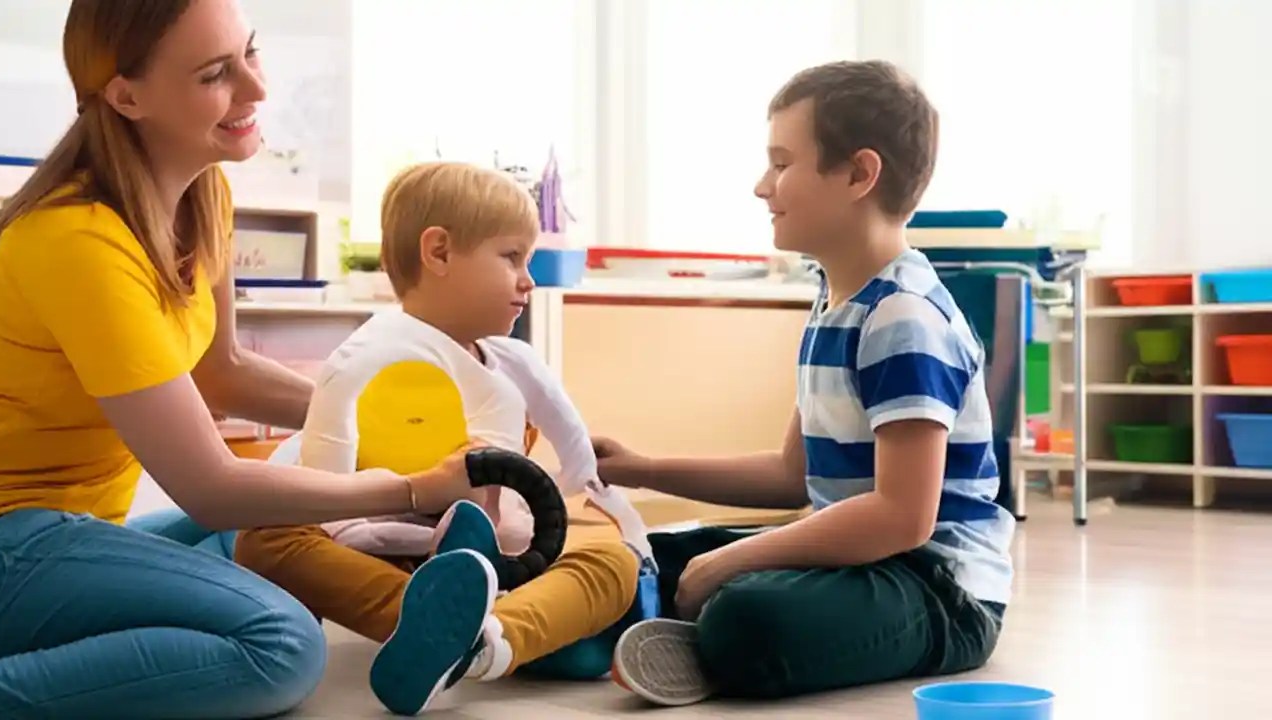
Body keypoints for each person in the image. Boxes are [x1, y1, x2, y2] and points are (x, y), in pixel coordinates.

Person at [0, 2, 483, 718]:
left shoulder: (204, 194)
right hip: (9, 542)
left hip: (80, 530)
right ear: (127, 96)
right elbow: (211, 490)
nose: (256, 89)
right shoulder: (76, 243)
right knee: (282, 642)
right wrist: (411, 487)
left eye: (250, 54)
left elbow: (221, 372)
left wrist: (409, 427)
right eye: (217, 74)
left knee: (285, 504)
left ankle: (428, 609)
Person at [597, 59, 1016, 706]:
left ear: (858, 173)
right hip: (858, 564)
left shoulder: (903, 316)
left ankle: (697, 639)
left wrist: (735, 559)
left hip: (936, 587)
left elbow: (904, 517)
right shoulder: (835, 302)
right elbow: (792, 474)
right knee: (634, 557)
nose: (762, 186)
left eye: (782, 162)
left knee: (745, 614)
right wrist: (645, 468)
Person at [234, 163, 643, 716]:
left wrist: (610, 516)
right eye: (511, 258)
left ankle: (487, 642)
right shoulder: (363, 358)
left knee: (612, 561)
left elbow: (576, 460)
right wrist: (410, 501)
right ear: (440, 253)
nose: (530, 280)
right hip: (388, 546)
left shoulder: (513, 360)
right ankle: (460, 620)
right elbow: (323, 487)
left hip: (508, 549)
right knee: (266, 541)